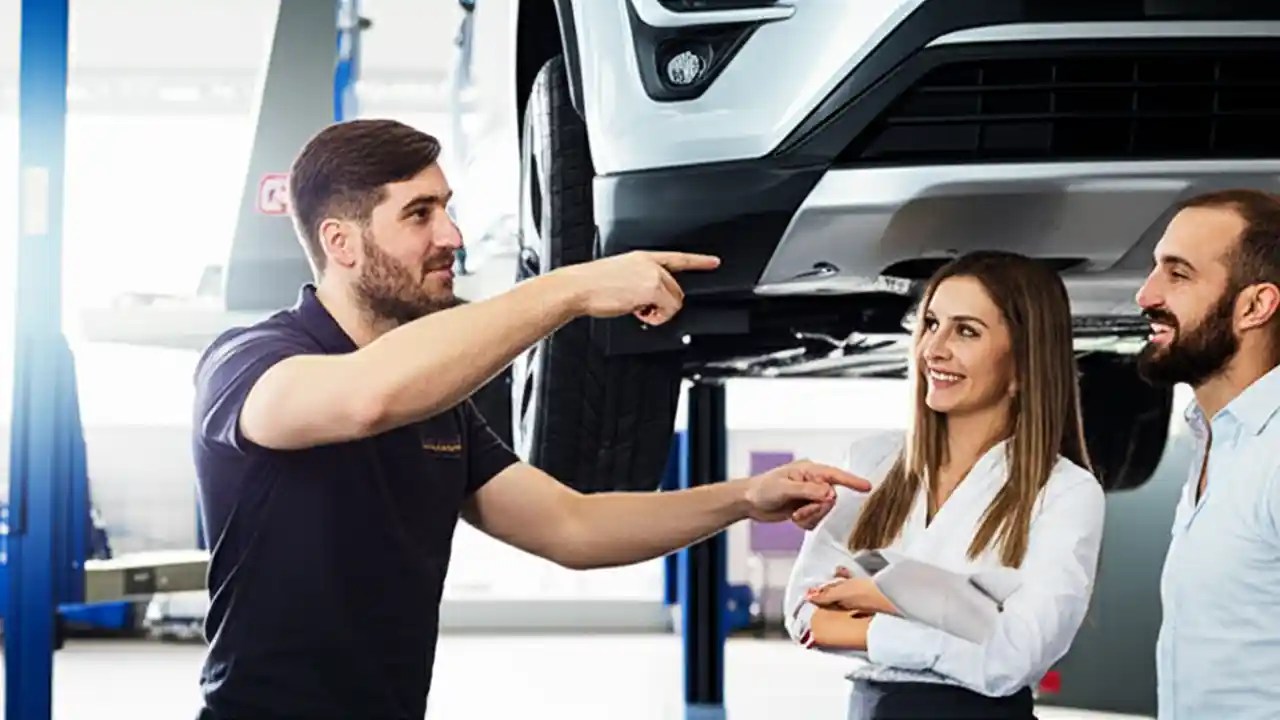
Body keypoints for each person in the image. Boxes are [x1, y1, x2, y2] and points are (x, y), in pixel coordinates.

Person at [190, 118, 868, 720]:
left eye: (447, 210)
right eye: (419, 215)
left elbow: (574, 527)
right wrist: (571, 286)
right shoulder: (250, 363)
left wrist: (747, 498)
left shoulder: (438, 405)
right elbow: (366, 399)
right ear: (341, 241)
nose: (451, 237)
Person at [783, 251, 1106, 720]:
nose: (934, 349)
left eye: (967, 330)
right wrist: (960, 609)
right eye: (932, 323)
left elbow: (1011, 659)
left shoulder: (1065, 492)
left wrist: (876, 601)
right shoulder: (871, 460)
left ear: (1022, 365)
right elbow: (805, 614)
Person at [1131, 189, 1280, 719]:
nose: (1145, 295)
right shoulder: (1215, 437)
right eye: (1156, 269)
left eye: (1178, 274)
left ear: (1255, 306)